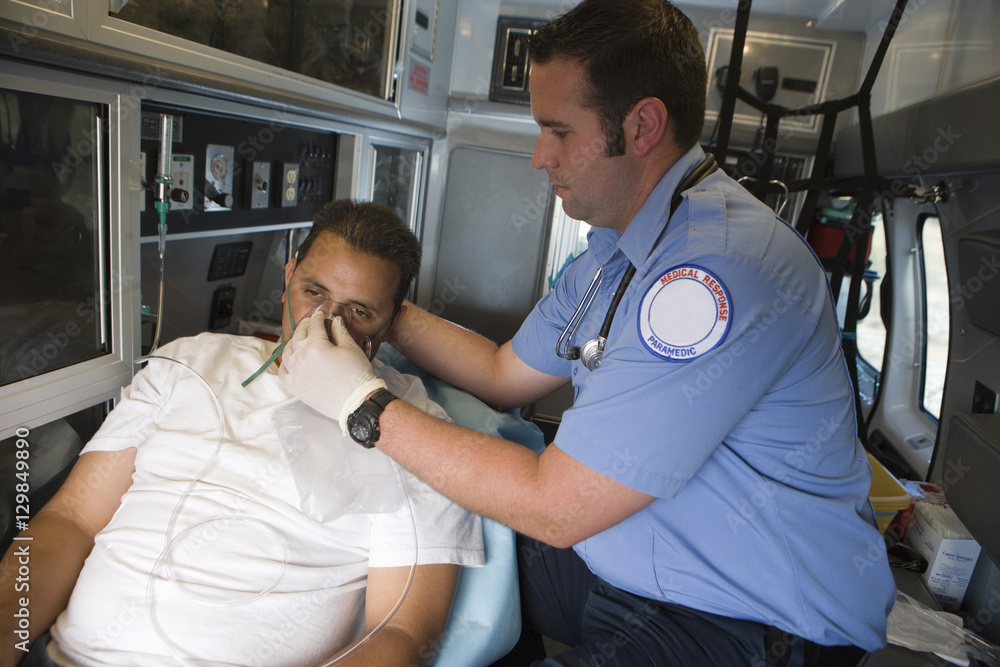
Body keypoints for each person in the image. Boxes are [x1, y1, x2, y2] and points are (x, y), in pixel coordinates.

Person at [278, 1, 897, 665]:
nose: (540, 158)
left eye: (559, 131)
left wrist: (361, 405)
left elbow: (556, 509)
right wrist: (368, 308)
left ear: (642, 125)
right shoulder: (614, 251)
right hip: (626, 561)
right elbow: (501, 370)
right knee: (446, 550)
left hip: (742, 618)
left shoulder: (710, 275)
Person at [0, 200, 484, 667]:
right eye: (313, 292)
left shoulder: (417, 433)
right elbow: (72, 520)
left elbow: (399, 633)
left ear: (394, 321)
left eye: (360, 312)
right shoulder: (190, 362)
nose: (325, 324)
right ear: (288, 276)